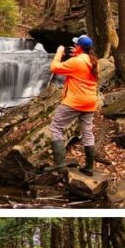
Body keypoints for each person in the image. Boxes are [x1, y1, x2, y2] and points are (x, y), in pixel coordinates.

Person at [48, 34, 100, 176]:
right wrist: (76, 56)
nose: (74, 46)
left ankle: (61, 167)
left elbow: (54, 68)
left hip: (74, 102)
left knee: (56, 127)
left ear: (79, 47)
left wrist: (59, 53)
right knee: (87, 132)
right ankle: (89, 168)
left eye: (76, 45)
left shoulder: (76, 62)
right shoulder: (94, 61)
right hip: (90, 102)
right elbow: (81, 70)